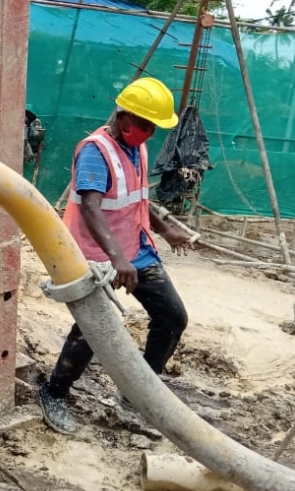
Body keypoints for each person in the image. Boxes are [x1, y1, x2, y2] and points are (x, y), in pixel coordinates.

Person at [37, 77, 196, 436]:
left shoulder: (134, 146)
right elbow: (92, 209)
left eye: (155, 126)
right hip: (94, 254)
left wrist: (165, 229)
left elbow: (135, 196)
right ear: (124, 118)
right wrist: (117, 259)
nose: (150, 132)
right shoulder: (96, 151)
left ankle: (142, 387)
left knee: (172, 316)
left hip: (134, 248)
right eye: (145, 124)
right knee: (96, 329)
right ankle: (53, 392)